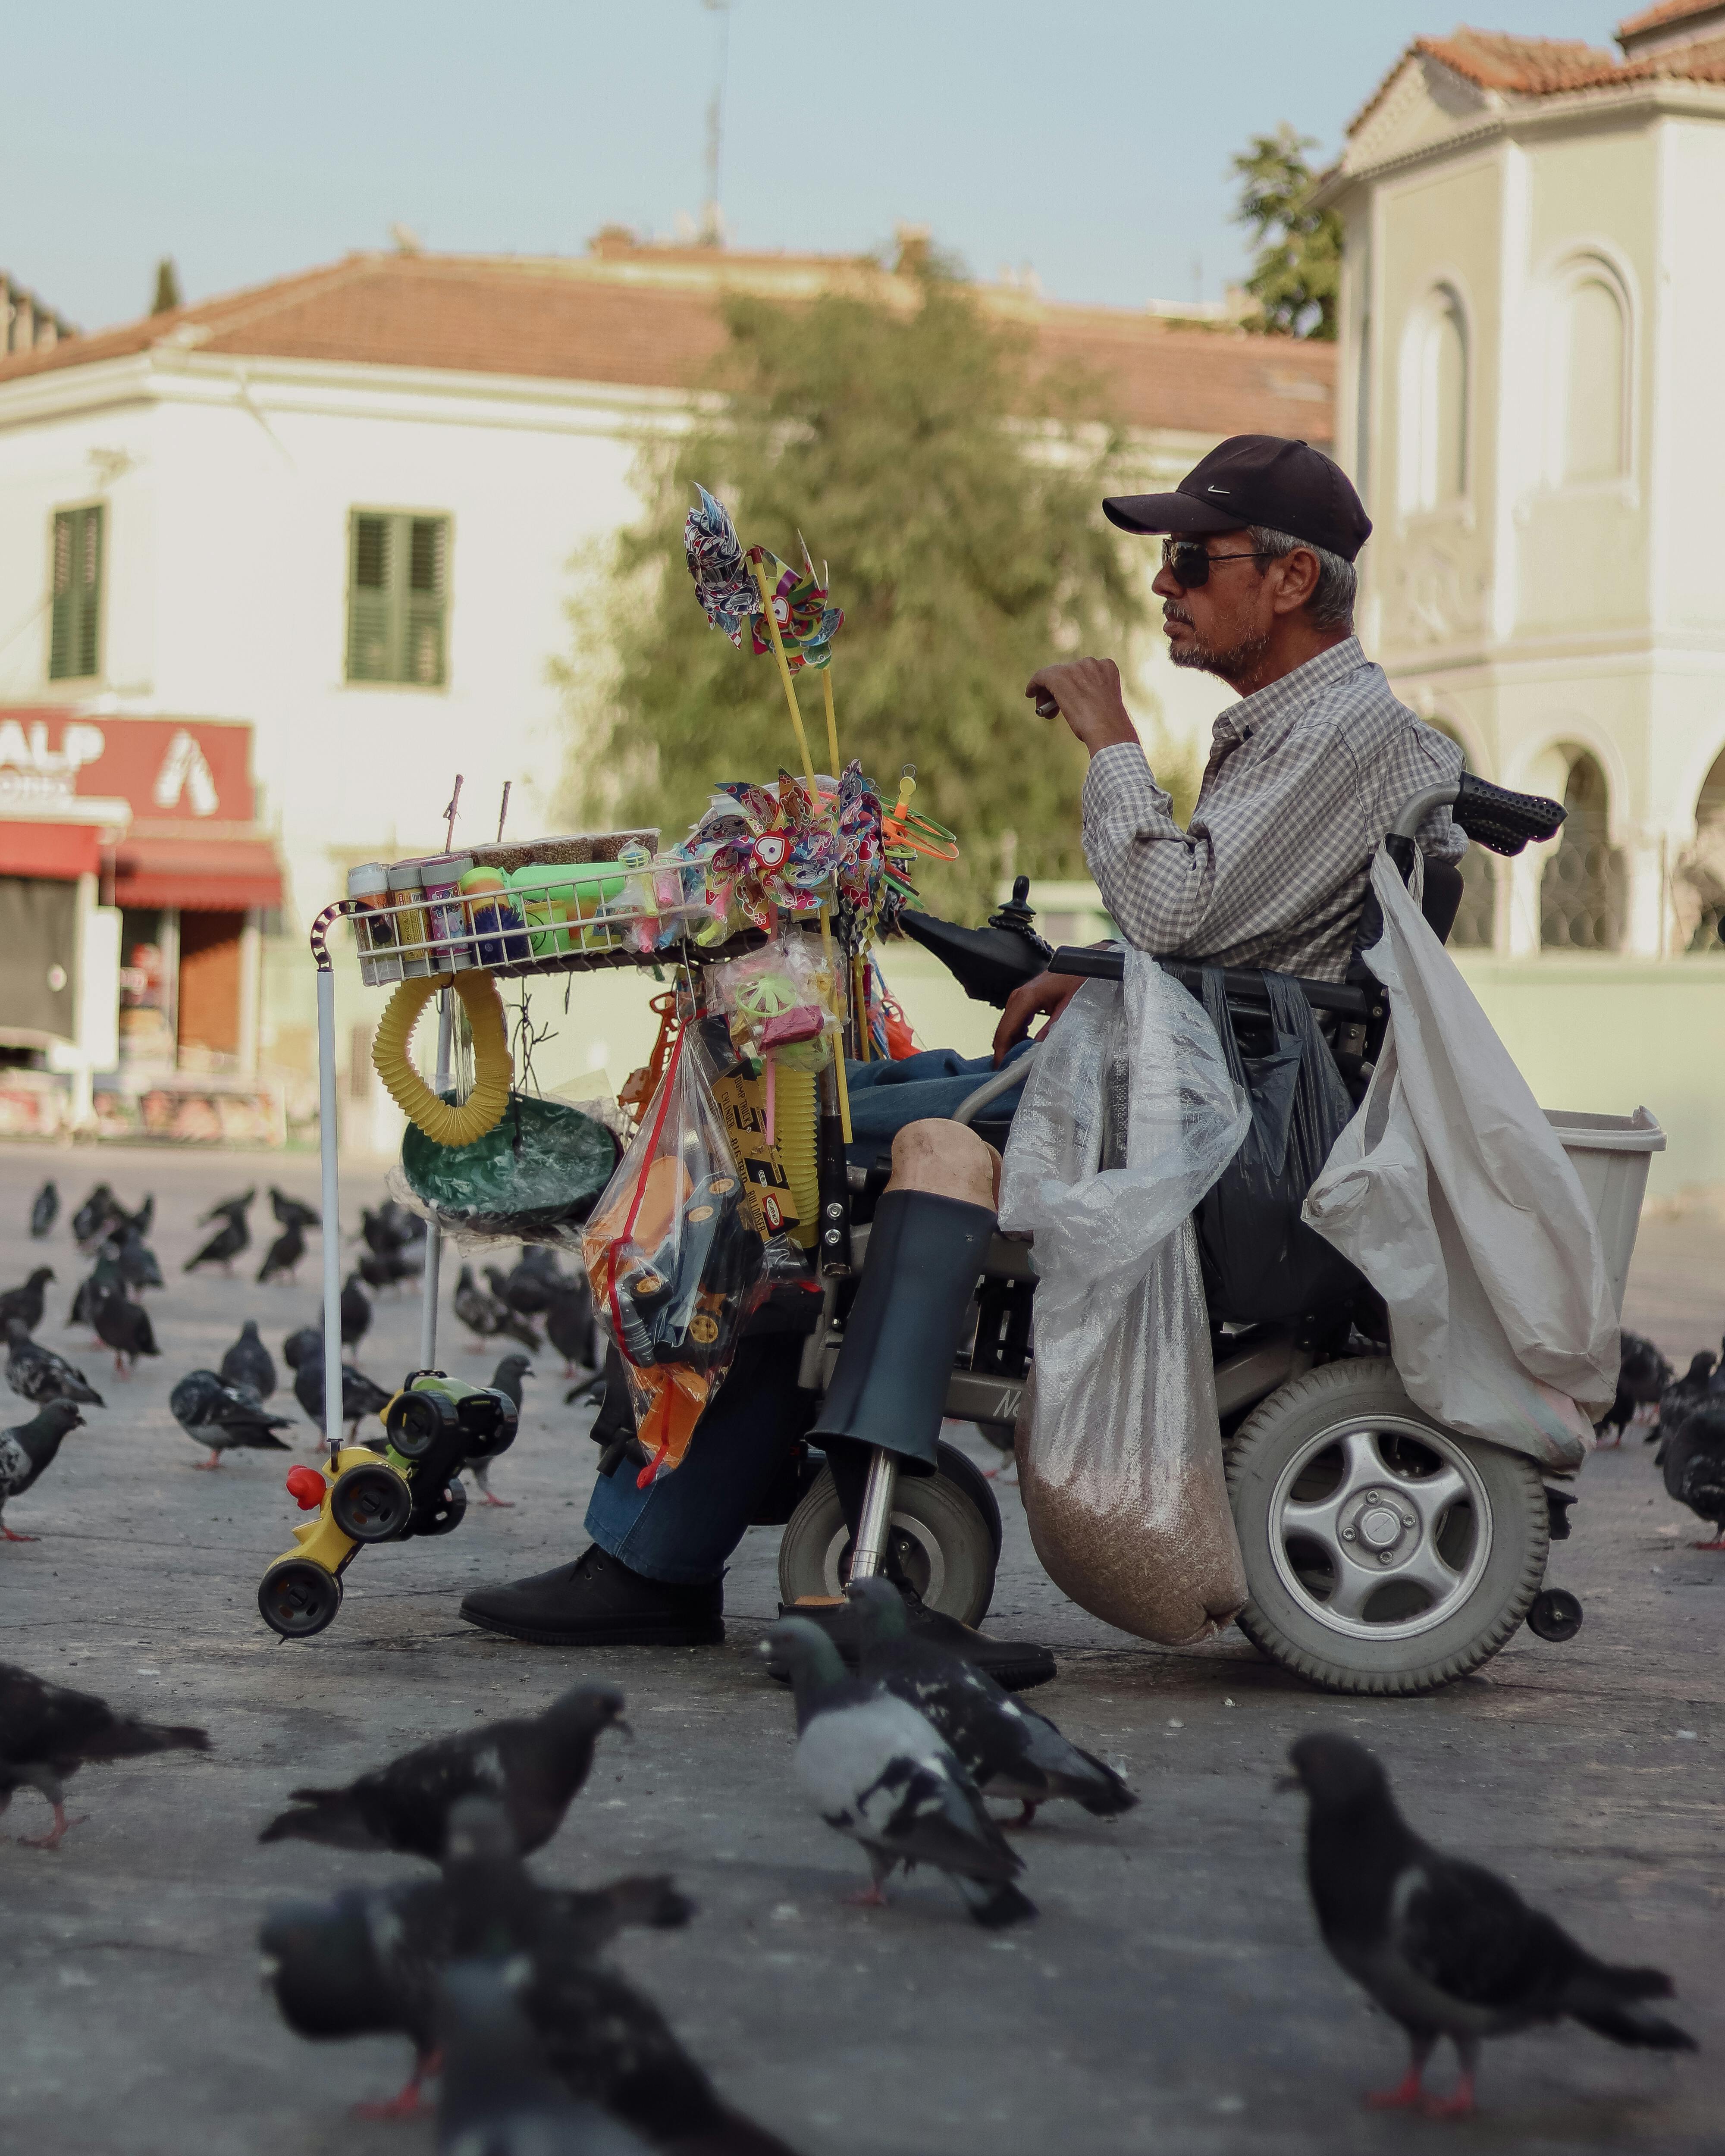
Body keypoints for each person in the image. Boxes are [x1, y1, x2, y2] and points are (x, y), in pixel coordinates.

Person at [459, 434, 1465, 1651]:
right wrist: (1085, 972)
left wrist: (1108, 743)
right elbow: (1235, 928)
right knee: (785, 1131)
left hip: (1208, 1122)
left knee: (781, 1154)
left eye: (1193, 561)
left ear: (1293, 581)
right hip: (1191, 1073)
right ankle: (667, 1541)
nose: (1164, 586)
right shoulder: (1297, 728)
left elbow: (1179, 906)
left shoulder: (1341, 735)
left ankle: (666, 1556)